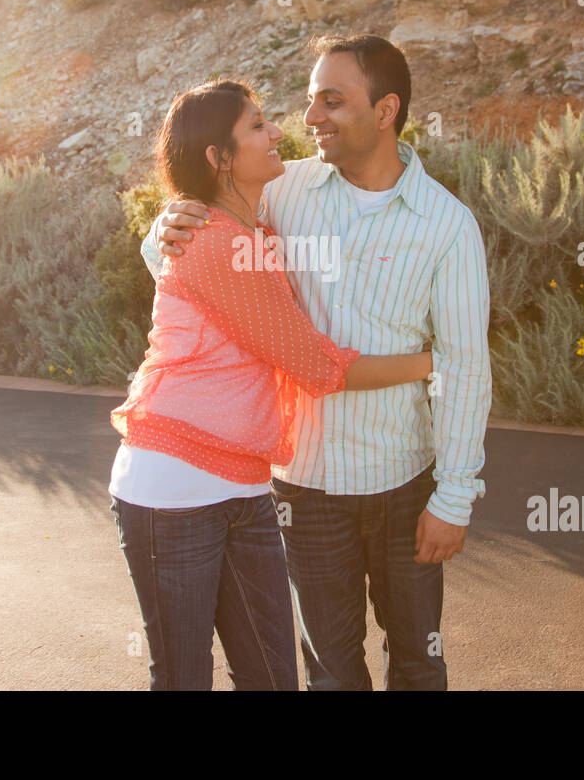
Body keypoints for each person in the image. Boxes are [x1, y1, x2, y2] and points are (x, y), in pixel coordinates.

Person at [144, 34, 491, 690]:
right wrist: (164, 225)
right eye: (309, 101)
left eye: (332, 101)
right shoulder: (285, 188)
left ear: (385, 111)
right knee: (330, 675)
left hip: (403, 483)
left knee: (419, 661)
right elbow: (189, 254)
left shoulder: (448, 225)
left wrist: (455, 495)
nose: (309, 119)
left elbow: (467, 365)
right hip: (302, 489)